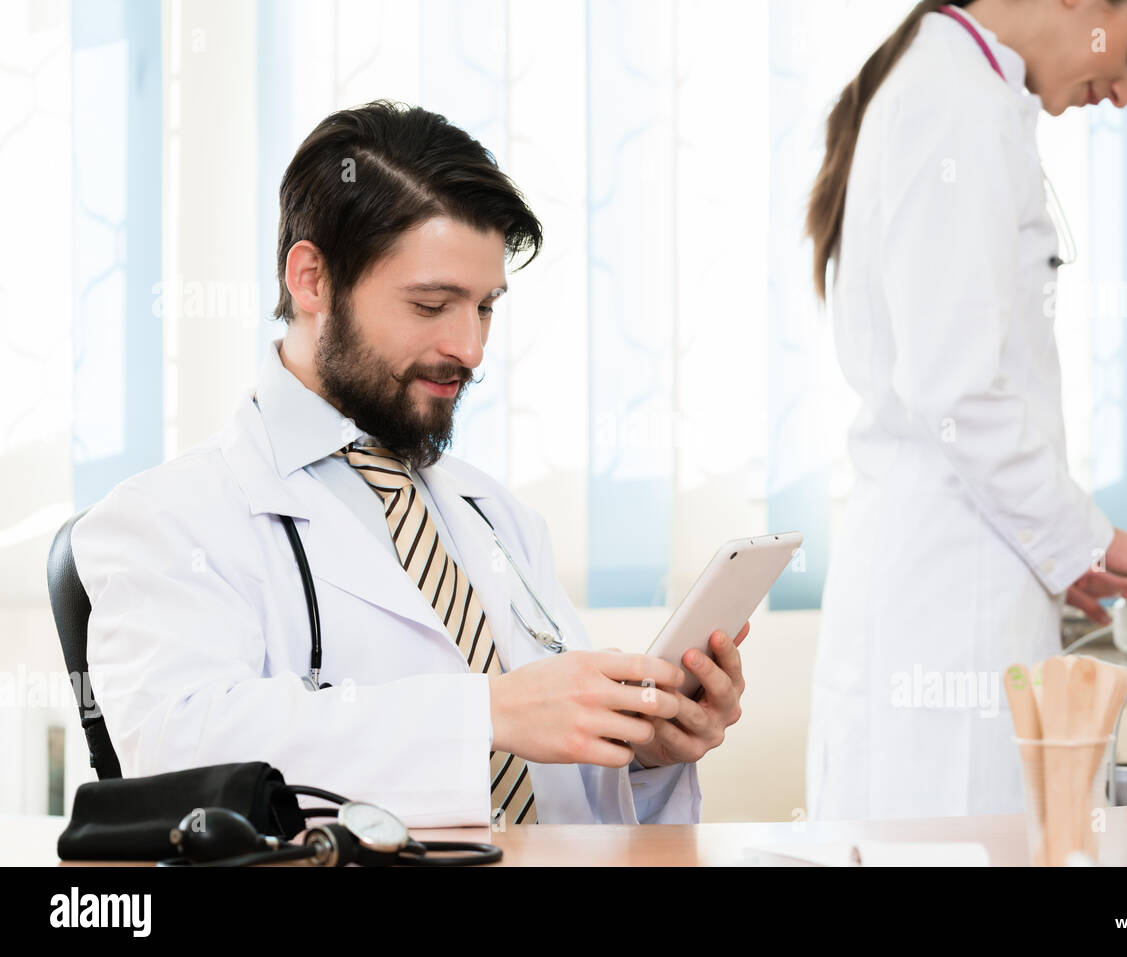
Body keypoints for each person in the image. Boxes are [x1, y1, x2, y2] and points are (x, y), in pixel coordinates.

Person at [72, 100, 746, 828]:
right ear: (312, 280)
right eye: (432, 304)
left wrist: (642, 749)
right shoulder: (166, 520)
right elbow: (182, 757)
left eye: (486, 306)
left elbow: (568, 797)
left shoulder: (498, 518)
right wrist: (484, 714)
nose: (471, 347)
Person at [803, 0, 1127, 820]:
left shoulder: (961, 88)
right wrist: (1095, 537)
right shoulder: (955, 100)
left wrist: (1064, 553)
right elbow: (954, 390)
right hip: (942, 603)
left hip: (950, 577)